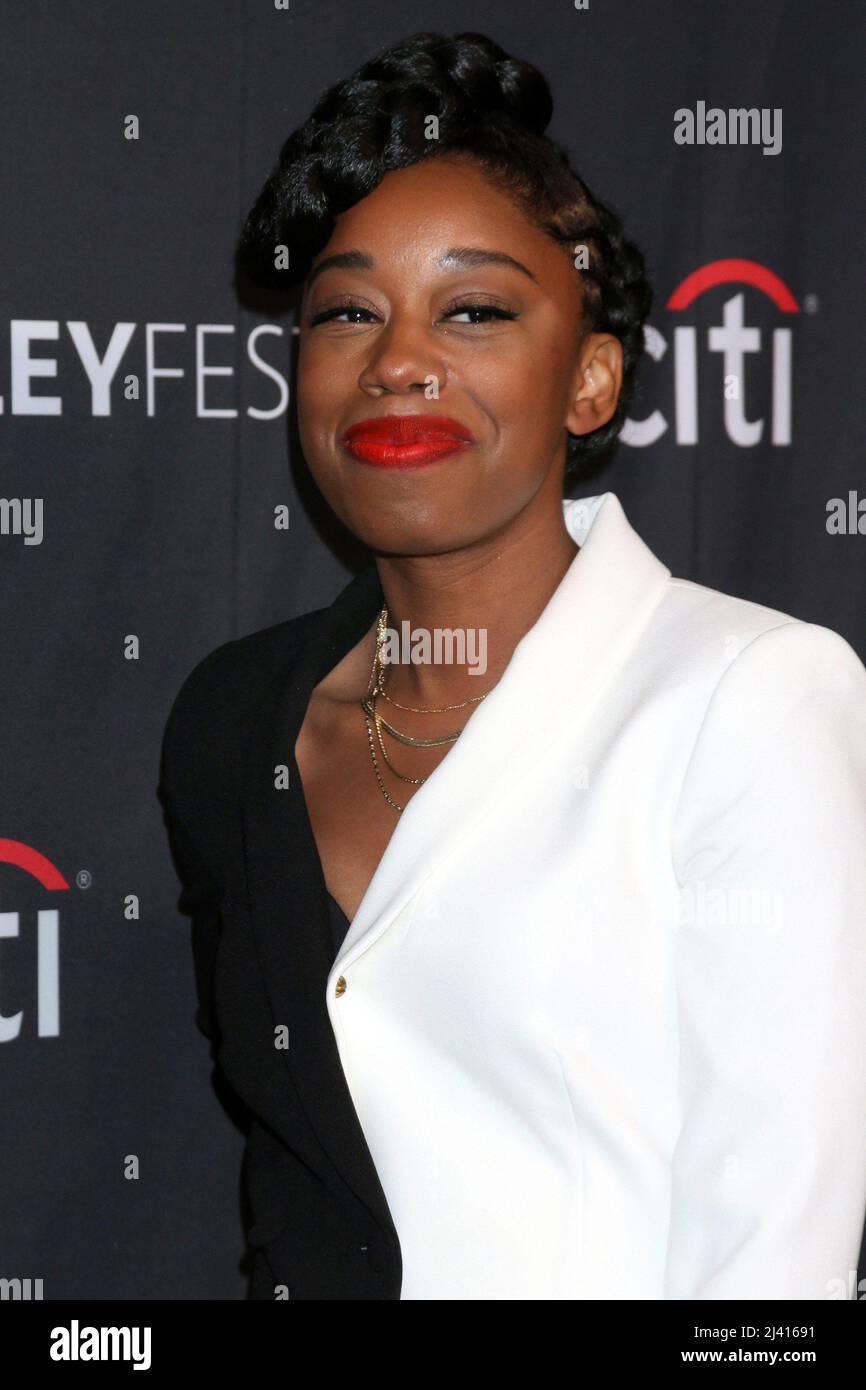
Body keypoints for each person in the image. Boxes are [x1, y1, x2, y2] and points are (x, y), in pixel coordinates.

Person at [158, 30, 866, 1300]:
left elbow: (772, 1261)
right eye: (346, 312)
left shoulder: (748, 695)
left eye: (473, 308)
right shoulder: (232, 721)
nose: (397, 362)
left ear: (589, 378)